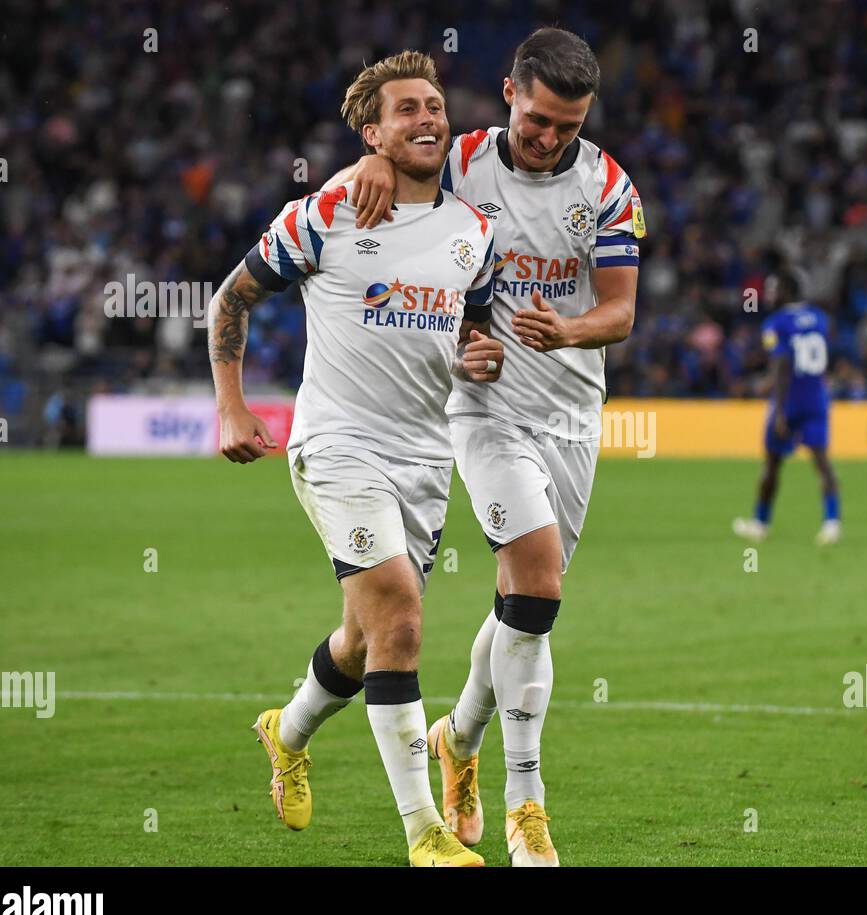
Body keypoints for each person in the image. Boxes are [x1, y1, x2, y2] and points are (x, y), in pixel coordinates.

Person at [323, 27, 644, 866]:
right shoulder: (460, 160)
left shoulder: (608, 186)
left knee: (525, 607)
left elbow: (622, 310)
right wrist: (374, 168)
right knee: (535, 582)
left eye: (566, 128)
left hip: (573, 416)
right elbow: (392, 158)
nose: (548, 140)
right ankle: (525, 807)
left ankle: (459, 739)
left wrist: (570, 329)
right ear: (509, 92)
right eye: (537, 120)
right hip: (482, 409)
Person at [207, 51, 503, 867]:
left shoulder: (474, 235)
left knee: (365, 640)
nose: (426, 119)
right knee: (402, 618)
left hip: (423, 459)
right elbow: (231, 297)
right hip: (337, 445)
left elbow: (476, 334)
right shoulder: (330, 209)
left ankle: (287, 731)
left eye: (434, 105)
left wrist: (482, 356)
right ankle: (424, 834)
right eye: (404, 110)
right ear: (371, 131)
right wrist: (232, 404)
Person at [733, 270, 841, 545]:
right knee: (822, 462)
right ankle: (832, 523)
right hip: (817, 397)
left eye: (773, 289)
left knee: (772, 464)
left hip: (790, 401)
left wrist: (779, 409)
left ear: (788, 291)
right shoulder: (820, 317)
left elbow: (781, 365)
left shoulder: (775, 323)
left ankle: (760, 523)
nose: (767, 296)